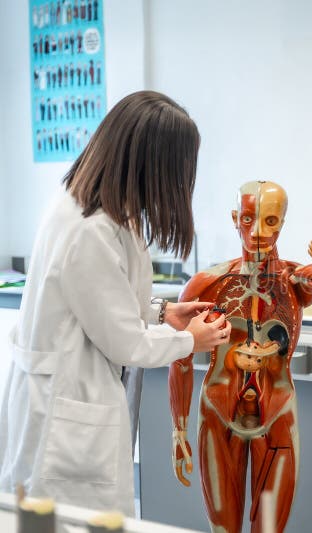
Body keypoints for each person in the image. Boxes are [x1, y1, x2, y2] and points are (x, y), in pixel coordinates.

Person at [0, 90, 231, 516]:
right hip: (63, 418)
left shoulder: (91, 206)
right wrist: (188, 341)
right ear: (152, 164)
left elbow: (101, 303)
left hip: (59, 401)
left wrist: (163, 313)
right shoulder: (90, 229)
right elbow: (125, 343)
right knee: (65, 520)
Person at [168, 180, 312, 533]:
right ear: (235, 218)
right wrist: (179, 427)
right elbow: (180, 357)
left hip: (277, 414)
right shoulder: (207, 282)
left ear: (282, 222)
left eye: (270, 221)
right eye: (248, 219)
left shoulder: (296, 279)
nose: (259, 231)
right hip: (217, 413)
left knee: (270, 529)